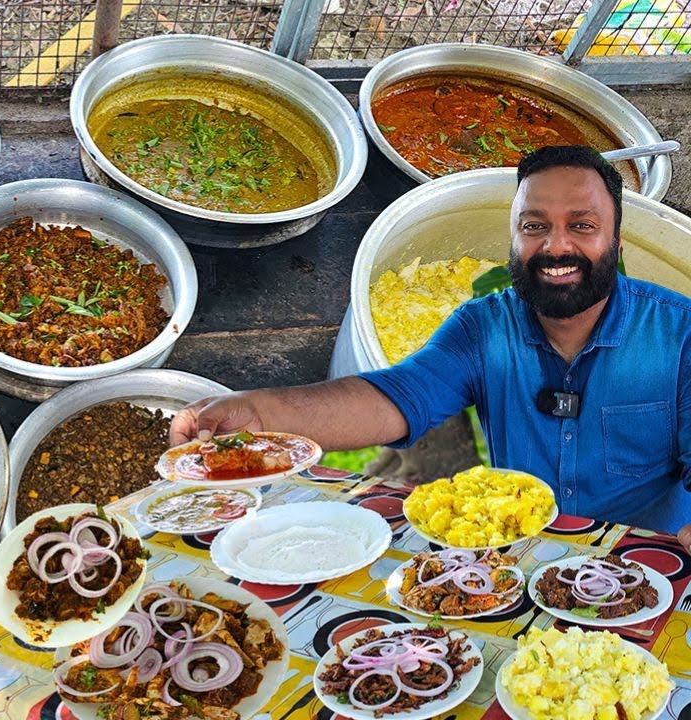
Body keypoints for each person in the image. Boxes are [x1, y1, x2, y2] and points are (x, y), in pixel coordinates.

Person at [170, 145, 691, 552]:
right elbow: (395, 397)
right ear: (511, 243)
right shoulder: (483, 326)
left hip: (647, 561)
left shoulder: (679, 332)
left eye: (582, 225)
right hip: (520, 551)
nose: (556, 246)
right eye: (534, 227)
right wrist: (261, 414)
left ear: (616, 244)